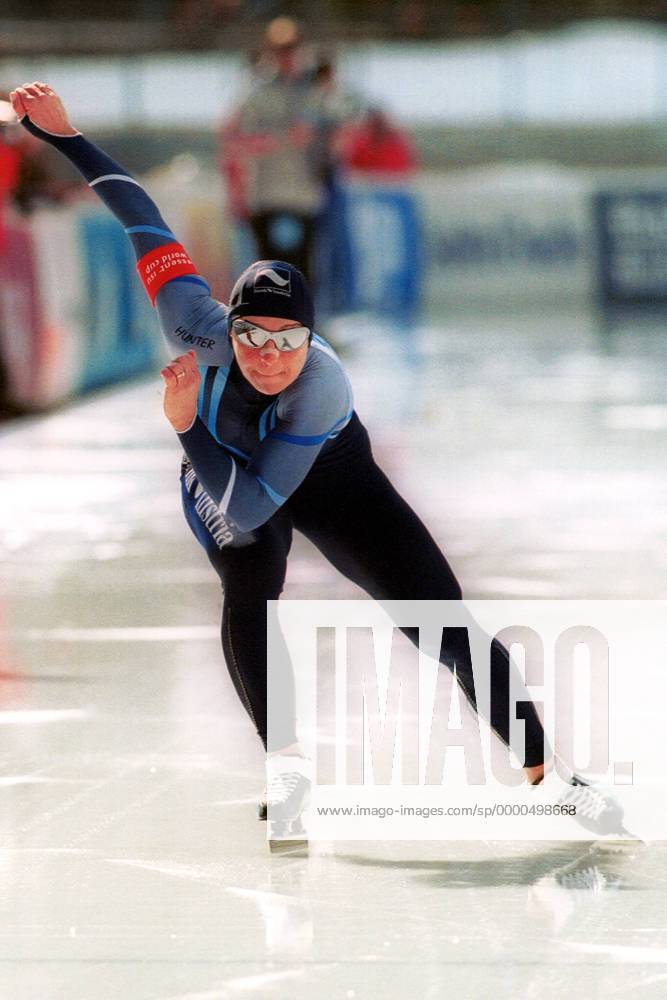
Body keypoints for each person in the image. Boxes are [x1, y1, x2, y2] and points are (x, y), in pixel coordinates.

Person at [9, 82, 630, 841]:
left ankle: (550, 775)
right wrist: (65, 136)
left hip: (330, 479)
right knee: (251, 581)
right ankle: (288, 764)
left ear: (311, 342)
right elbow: (138, 211)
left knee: (444, 623)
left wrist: (182, 425)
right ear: (224, 329)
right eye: (252, 339)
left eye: (286, 343)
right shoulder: (188, 319)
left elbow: (262, 497)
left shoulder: (321, 387)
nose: (268, 359)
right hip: (225, 471)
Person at [220, 18, 323, 283]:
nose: (287, 55)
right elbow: (233, 137)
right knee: (269, 275)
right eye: (281, 48)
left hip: (303, 197)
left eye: (291, 47)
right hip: (267, 196)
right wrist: (280, 140)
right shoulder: (257, 92)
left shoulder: (312, 90)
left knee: (303, 274)